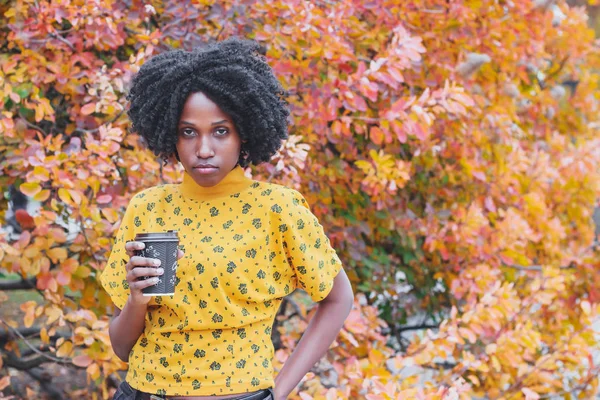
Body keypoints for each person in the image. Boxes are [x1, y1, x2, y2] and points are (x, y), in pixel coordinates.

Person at [99, 38, 354, 400]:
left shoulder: (276, 208)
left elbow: (338, 298)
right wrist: (137, 301)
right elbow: (122, 349)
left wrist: (277, 392)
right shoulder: (148, 207)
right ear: (171, 133)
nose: (203, 149)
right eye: (189, 132)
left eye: (221, 131)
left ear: (244, 133)